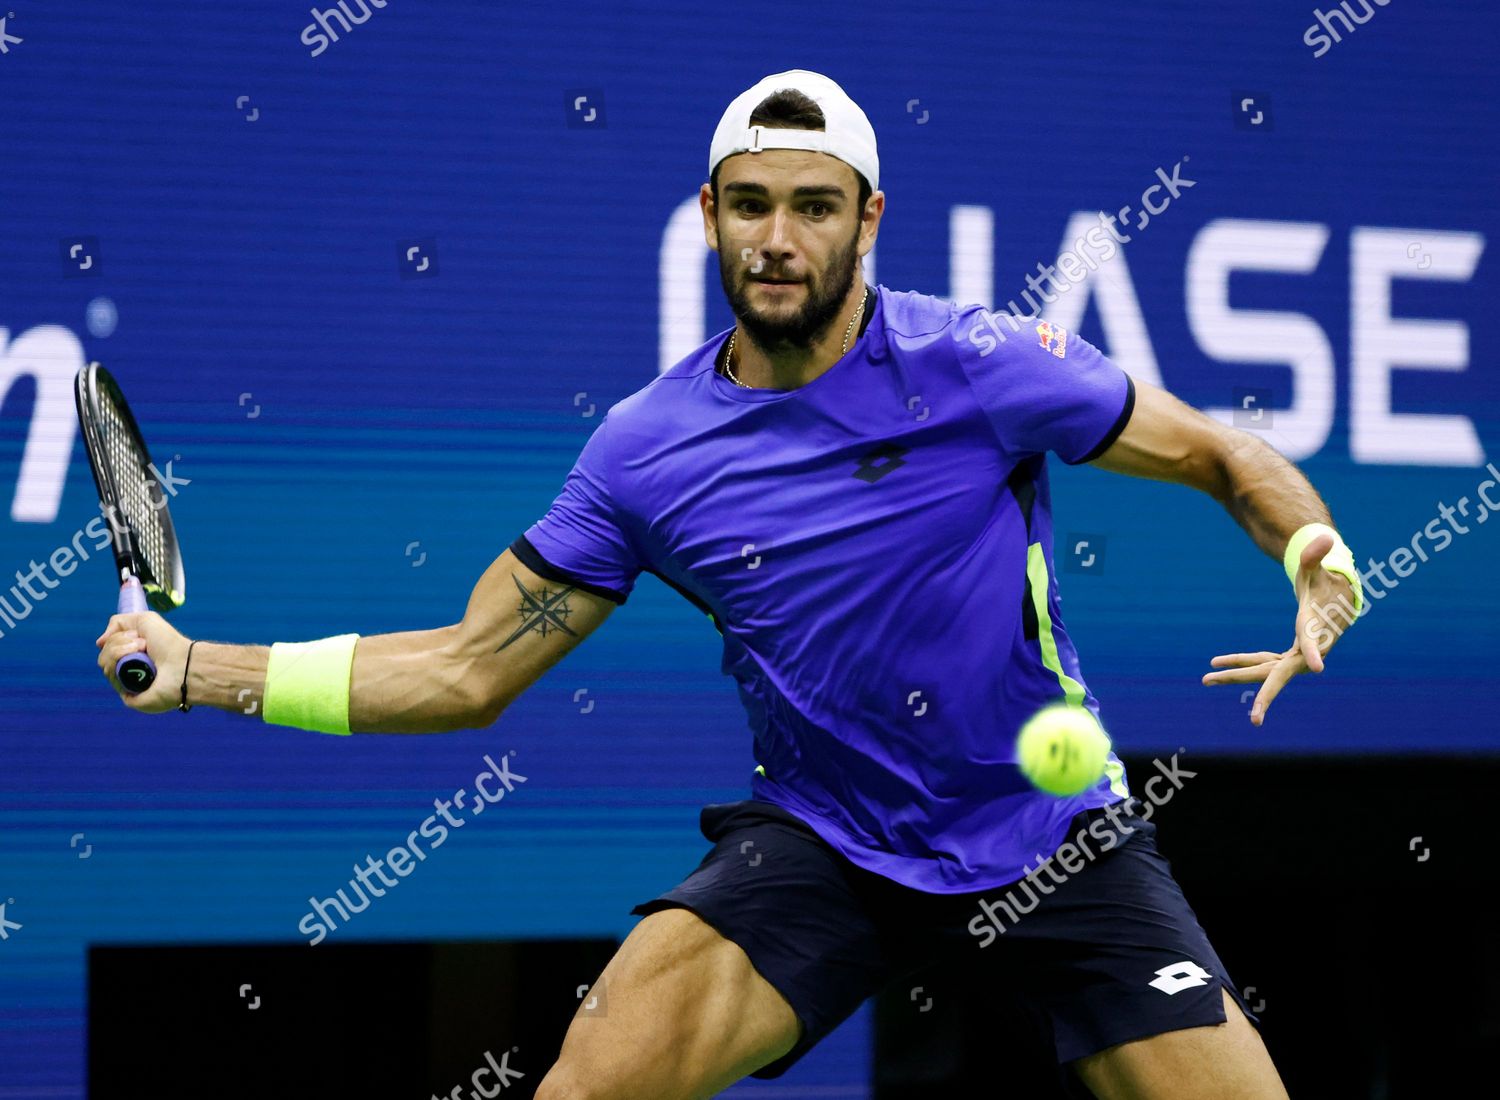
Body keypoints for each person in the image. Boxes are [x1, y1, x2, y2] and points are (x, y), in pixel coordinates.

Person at [97, 69, 1361, 1099]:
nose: (778, 237)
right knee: (586, 1084)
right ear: (707, 213)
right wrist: (205, 671)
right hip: (825, 840)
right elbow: (468, 668)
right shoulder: (647, 452)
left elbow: (1217, 450)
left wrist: (1313, 555)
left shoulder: (979, 363)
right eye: (750, 204)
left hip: (1050, 827)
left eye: (815, 205)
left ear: (870, 218)